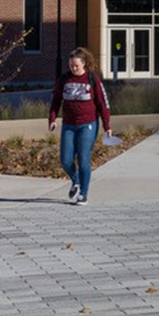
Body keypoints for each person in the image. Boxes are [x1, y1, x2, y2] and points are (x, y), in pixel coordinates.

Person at [49, 47, 113, 204]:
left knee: (83, 158)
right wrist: (52, 119)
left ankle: (83, 194)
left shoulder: (92, 79)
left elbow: (102, 103)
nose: (73, 68)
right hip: (69, 125)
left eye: (76, 65)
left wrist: (107, 125)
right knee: (65, 160)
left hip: (88, 124)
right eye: (71, 65)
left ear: (84, 64)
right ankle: (75, 180)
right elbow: (56, 101)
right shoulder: (64, 79)